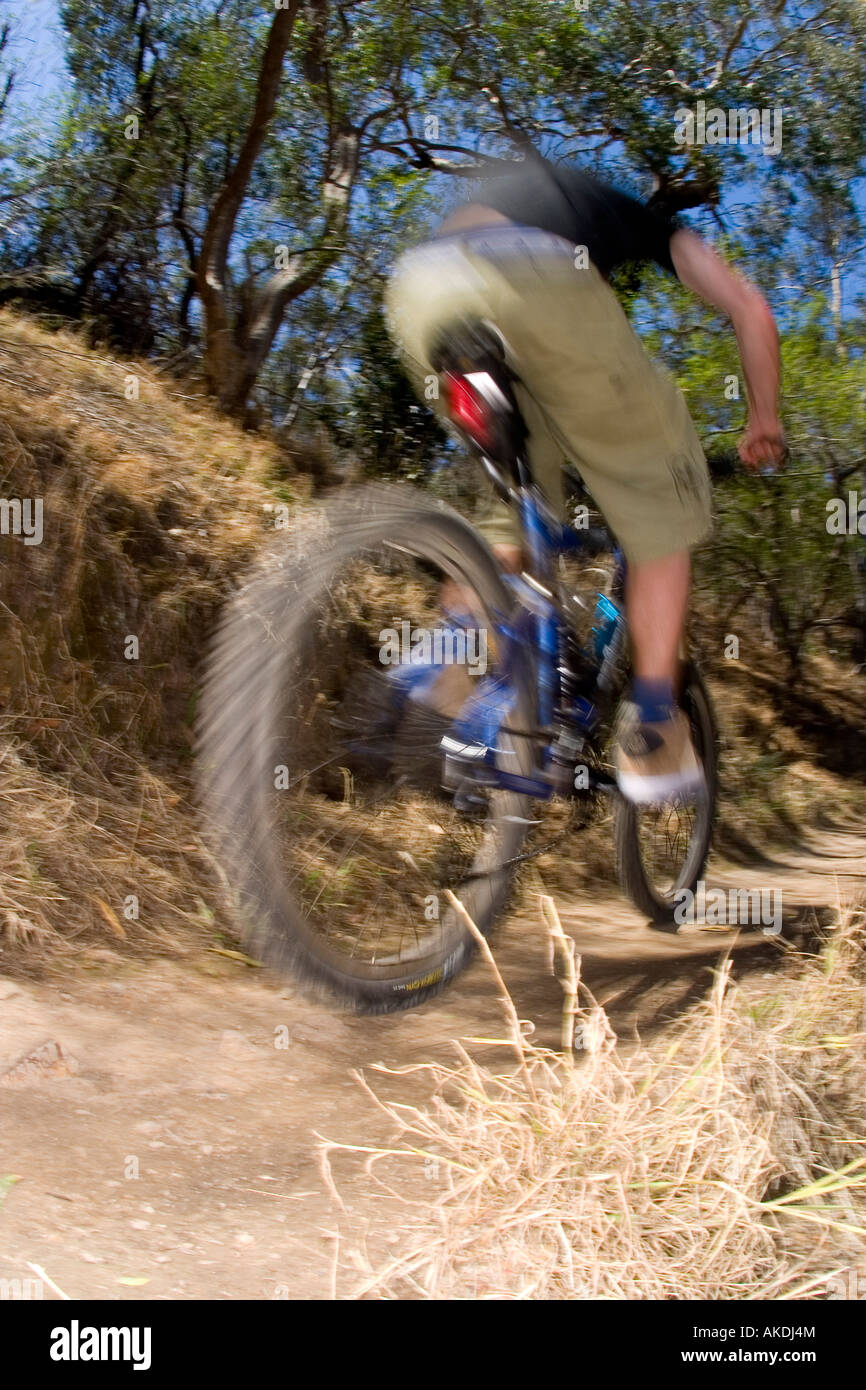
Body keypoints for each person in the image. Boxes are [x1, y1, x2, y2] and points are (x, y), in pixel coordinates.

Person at [384, 153, 786, 804]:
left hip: (425, 292)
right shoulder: (641, 219)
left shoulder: (529, 191)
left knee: (516, 509)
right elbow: (750, 308)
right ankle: (655, 728)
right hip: (537, 285)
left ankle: (447, 661)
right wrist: (764, 421)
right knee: (661, 501)